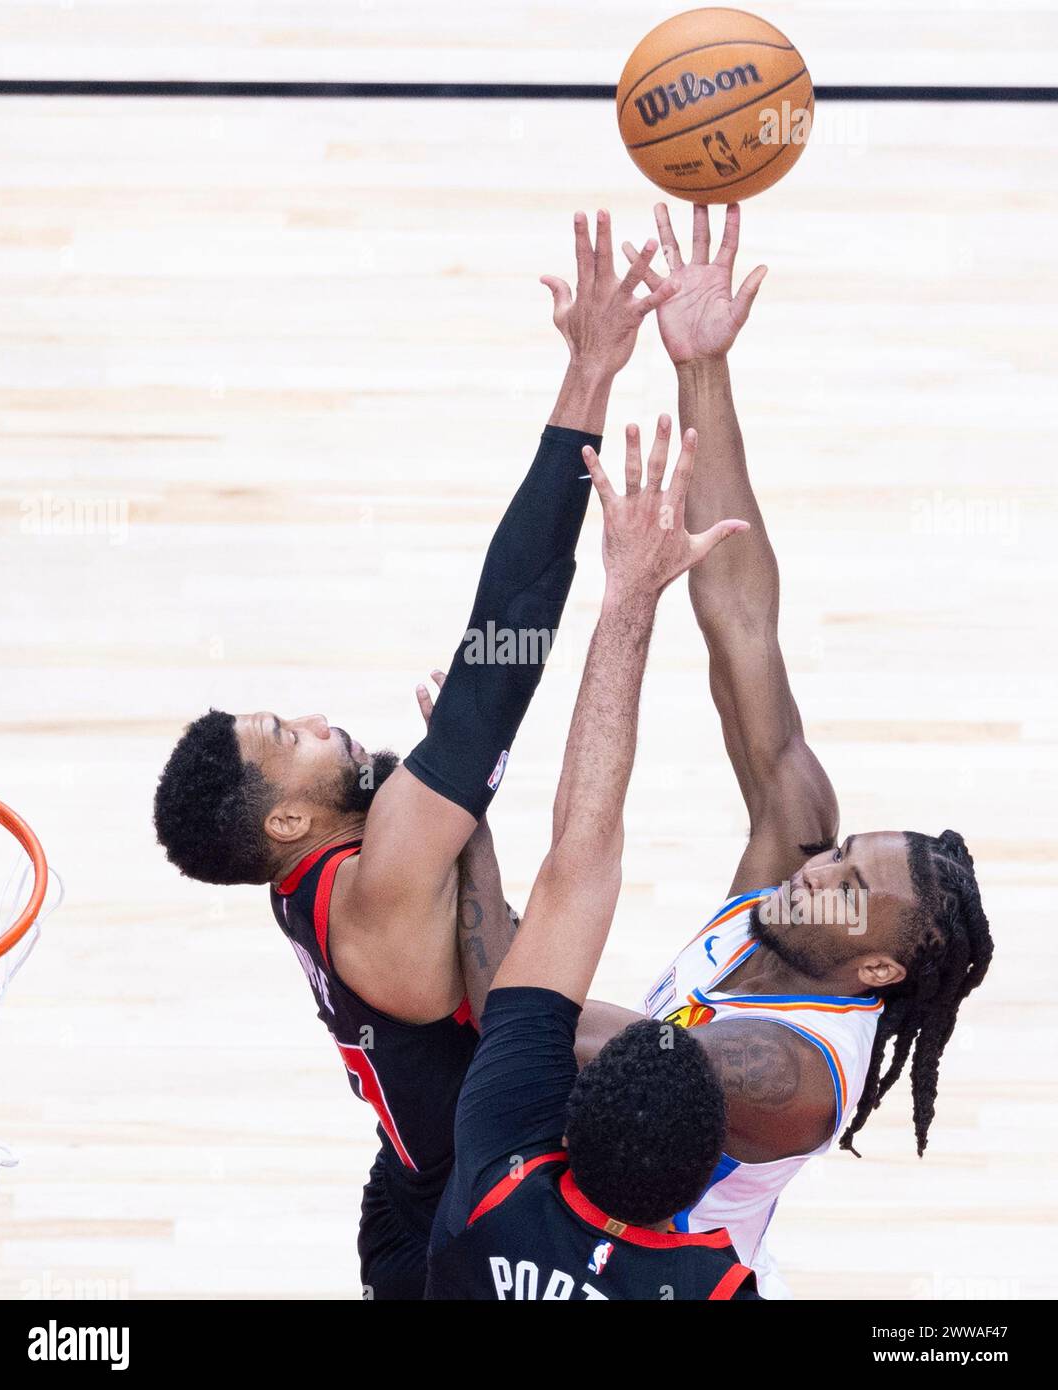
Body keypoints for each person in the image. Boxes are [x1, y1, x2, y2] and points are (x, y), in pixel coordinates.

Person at [152, 213, 673, 1299]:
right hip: (465, 1220)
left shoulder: (306, 874)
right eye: (285, 737)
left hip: (415, 1182)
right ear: (285, 818)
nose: (313, 719)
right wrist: (584, 383)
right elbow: (500, 652)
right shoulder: (380, 878)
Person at [575, 202, 994, 1296]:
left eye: (847, 886)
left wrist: (468, 950)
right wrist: (701, 368)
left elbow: (620, 1058)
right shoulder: (789, 879)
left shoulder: (805, 1072)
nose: (815, 868)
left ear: (879, 968)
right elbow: (741, 621)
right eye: (837, 853)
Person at [427, 418, 758, 1301]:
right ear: (699, 1186)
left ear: (564, 1115)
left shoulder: (497, 1165)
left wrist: (630, 599)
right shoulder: (712, 1288)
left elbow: (582, 852)